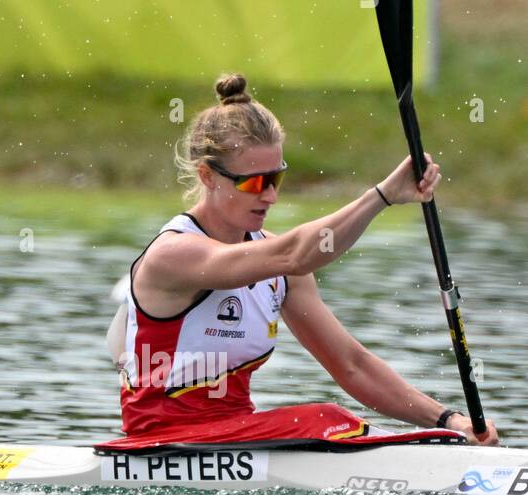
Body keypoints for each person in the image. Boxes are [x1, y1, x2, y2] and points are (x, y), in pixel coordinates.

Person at [108, 73, 498, 447]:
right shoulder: (175, 254)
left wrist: (449, 422)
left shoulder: (282, 274)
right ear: (208, 176)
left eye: (275, 178)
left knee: (331, 420)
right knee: (326, 419)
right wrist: (382, 196)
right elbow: (296, 254)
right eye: (255, 183)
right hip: (159, 444)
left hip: (235, 438)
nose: (271, 197)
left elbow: (352, 365)